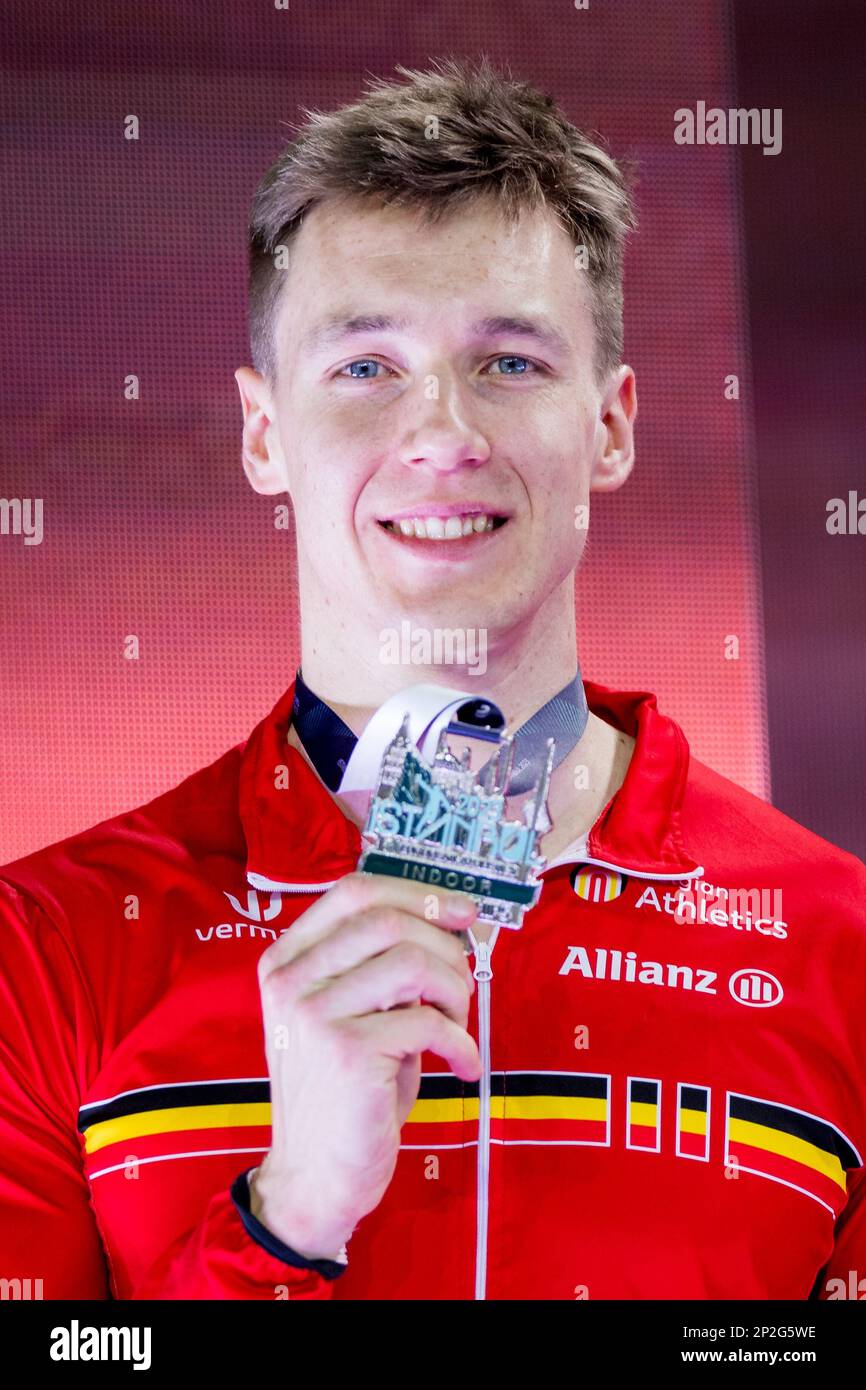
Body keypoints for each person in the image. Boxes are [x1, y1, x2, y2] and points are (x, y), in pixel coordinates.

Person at [1, 57, 864, 1302]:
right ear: (262, 433)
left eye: (508, 362)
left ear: (609, 424)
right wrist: (284, 1216)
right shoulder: (42, 950)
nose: (441, 433)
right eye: (365, 367)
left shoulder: (839, 947)